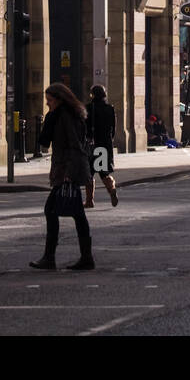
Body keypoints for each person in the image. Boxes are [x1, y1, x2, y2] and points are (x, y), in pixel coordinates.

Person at [31, 83, 95, 270]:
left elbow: (75, 146)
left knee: (53, 210)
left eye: (50, 100)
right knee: (75, 214)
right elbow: (46, 141)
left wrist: (69, 174)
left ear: (60, 100)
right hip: (65, 169)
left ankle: (51, 258)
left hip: (68, 171)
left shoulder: (66, 117)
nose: (47, 104)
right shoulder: (60, 115)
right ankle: (84, 257)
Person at [84, 85, 118, 209]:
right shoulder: (110, 108)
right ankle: (112, 188)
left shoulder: (89, 108)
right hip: (104, 145)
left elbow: (84, 128)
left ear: (92, 95)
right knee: (104, 173)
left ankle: (89, 201)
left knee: (89, 174)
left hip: (92, 145)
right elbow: (113, 129)